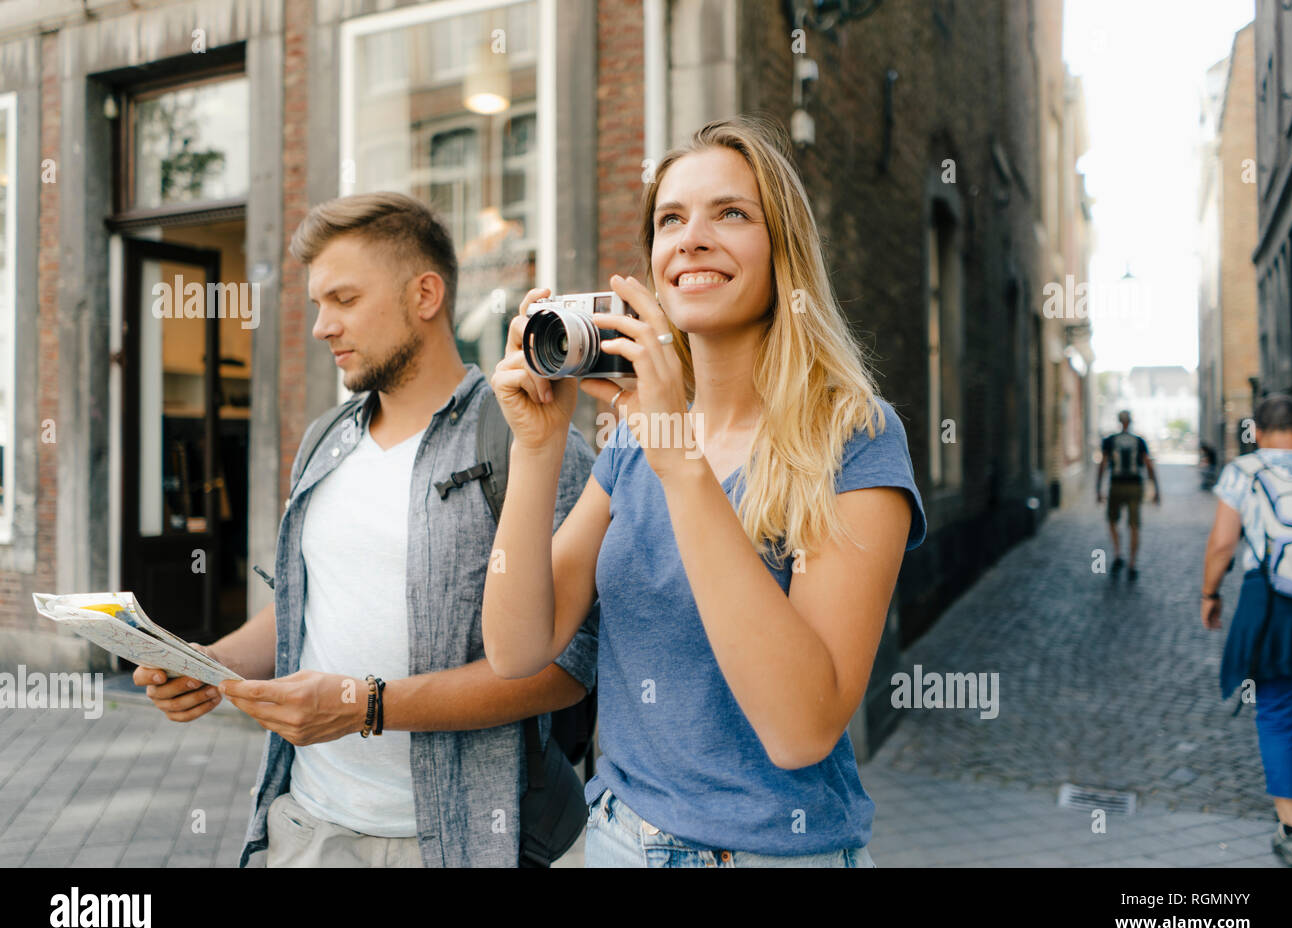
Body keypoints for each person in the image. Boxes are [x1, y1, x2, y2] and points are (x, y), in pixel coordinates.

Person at [481, 116, 926, 868]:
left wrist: (680, 462)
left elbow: (801, 726)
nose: (690, 238)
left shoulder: (853, 435)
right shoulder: (633, 440)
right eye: (669, 220)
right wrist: (537, 447)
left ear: (782, 251)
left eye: (730, 213)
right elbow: (518, 646)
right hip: (619, 836)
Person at [133, 192, 598, 867]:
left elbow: (567, 669)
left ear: (425, 294)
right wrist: (214, 666)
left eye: (344, 299)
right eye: (318, 303)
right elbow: (306, 598)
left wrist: (366, 706)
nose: (323, 326)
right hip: (312, 824)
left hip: (469, 839)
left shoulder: (526, 438)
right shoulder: (326, 438)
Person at [1201, 392, 1292, 867]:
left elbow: (1222, 544)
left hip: (1271, 603)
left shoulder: (1244, 471)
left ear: (1256, 432)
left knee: (1278, 711)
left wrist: (1210, 594)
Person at [1096, 410, 1160, 581]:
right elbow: (1148, 465)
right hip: (1134, 485)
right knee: (1134, 526)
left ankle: (1118, 553)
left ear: (1119, 422)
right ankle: (1132, 563)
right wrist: (1156, 489)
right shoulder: (1139, 441)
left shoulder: (1110, 441)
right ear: (1130, 422)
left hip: (1116, 484)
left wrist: (1098, 488)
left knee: (1112, 521)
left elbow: (1103, 464)